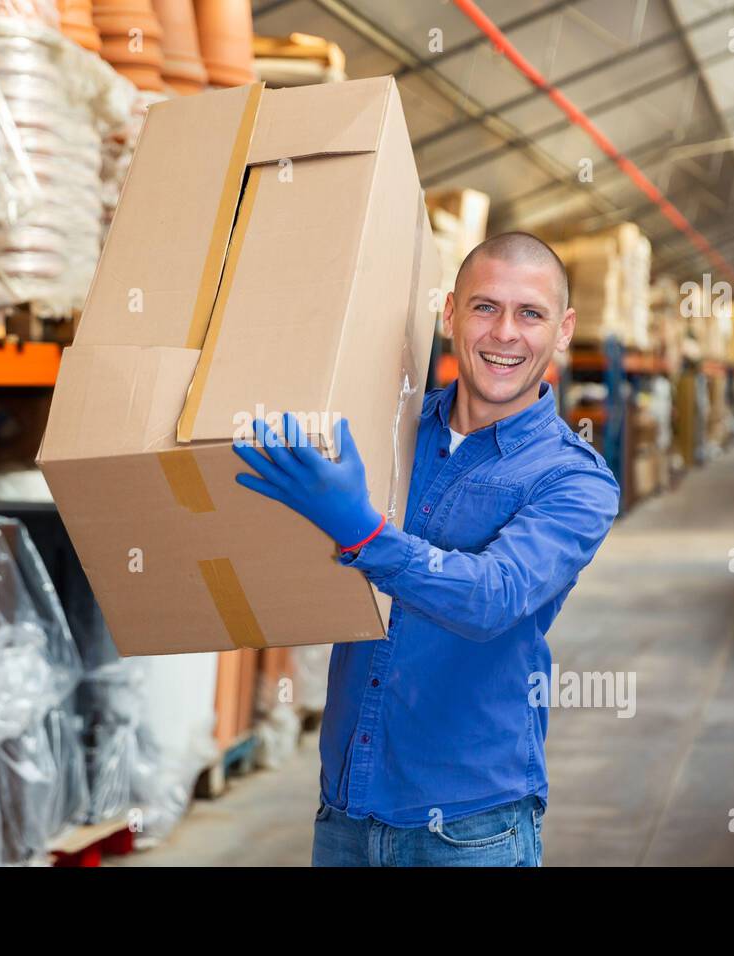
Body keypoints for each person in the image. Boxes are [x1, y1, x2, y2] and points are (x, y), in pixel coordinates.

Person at [233, 231, 620, 867]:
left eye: (531, 313)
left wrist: (361, 532)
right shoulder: (388, 430)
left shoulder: (575, 479)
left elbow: (492, 597)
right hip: (345, 812)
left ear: (564, 329)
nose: (505, 334)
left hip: (471, 828)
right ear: (449, 314)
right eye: (485, 307)